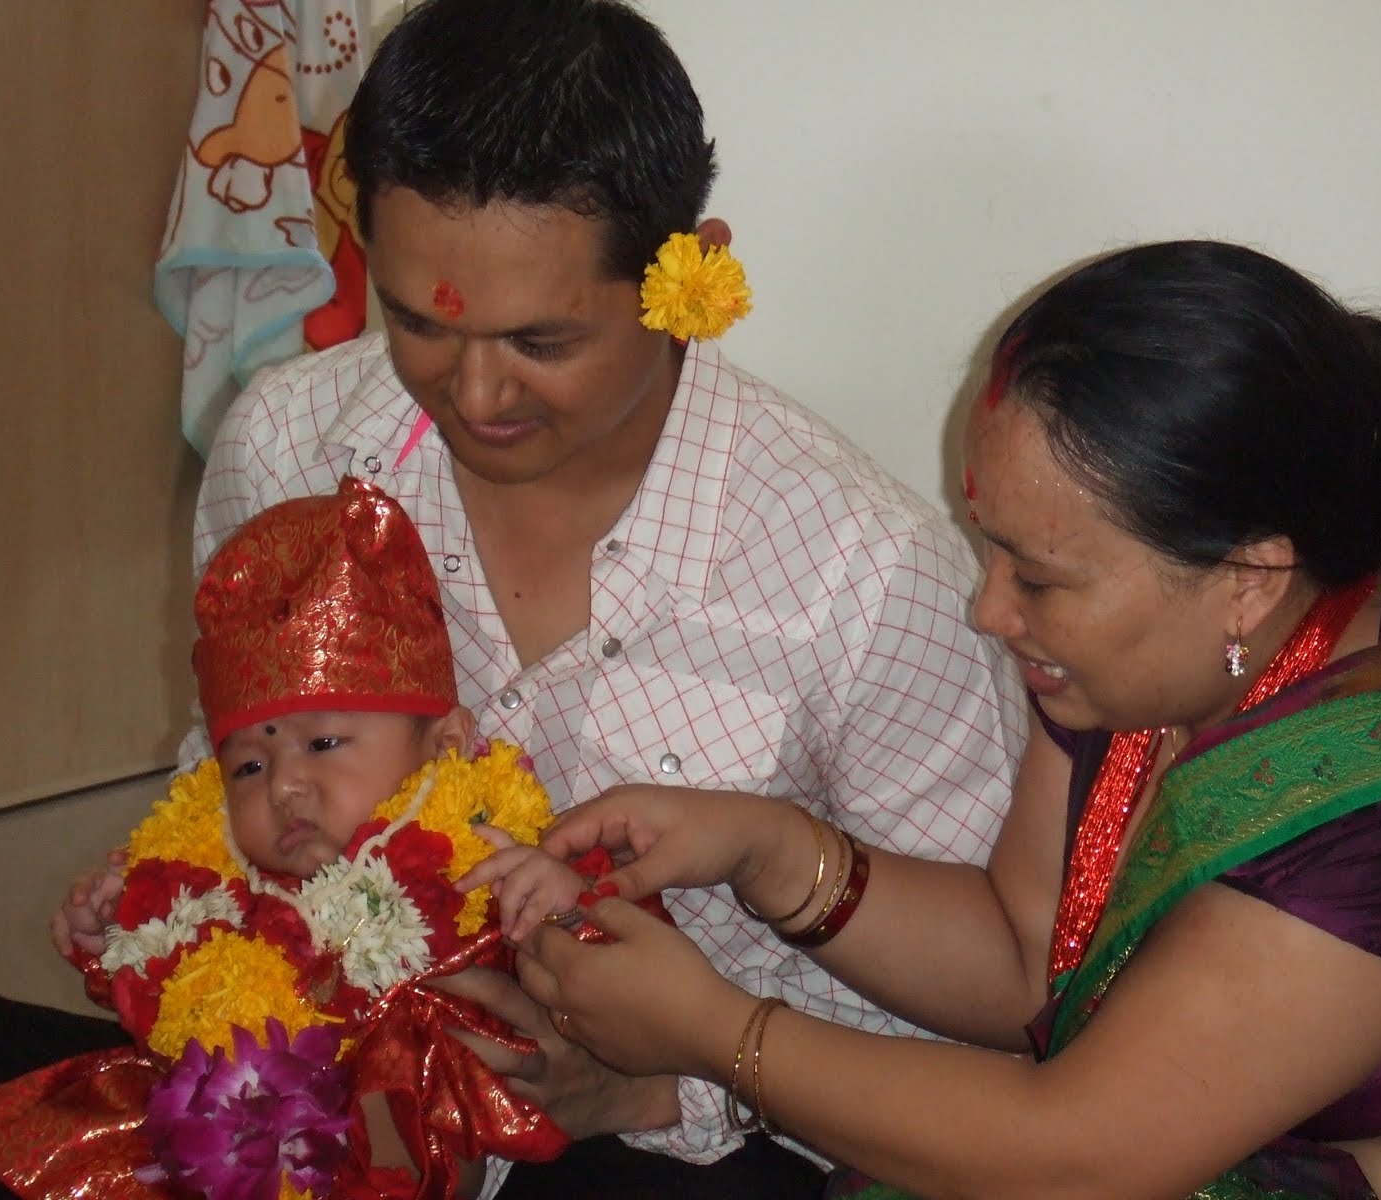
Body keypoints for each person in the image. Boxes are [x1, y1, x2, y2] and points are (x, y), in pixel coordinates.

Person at [185, 0, 1025, 1195]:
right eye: (418, 322)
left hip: (710, 1139)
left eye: (544, 340)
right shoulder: (292, 443)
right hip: (327, 1075)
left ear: (690, 273)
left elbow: (989, 1008)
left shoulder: (863, 575)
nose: (473, 392)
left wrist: (669, 1085)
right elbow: (228, 762)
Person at [490, 239, 1381, 1199]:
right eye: (990, 551)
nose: (990, 612)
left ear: (1247, 579)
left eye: (1037, 576)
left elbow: (1080, 1155)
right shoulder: (1146, 668)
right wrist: (763, 847)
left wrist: (714, 1035)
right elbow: (1021, 961)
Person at [13, 478, 593, 1199]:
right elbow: (170, 997)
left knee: (405, 1064)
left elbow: (589, 963)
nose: (283, 785)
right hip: (248, 1138)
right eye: (249, 766)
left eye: (323, 741)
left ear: (445, 743)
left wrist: (565, 905)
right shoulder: (221, 877)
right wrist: (113, 939)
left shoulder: (483, 845)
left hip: (435, 1138)